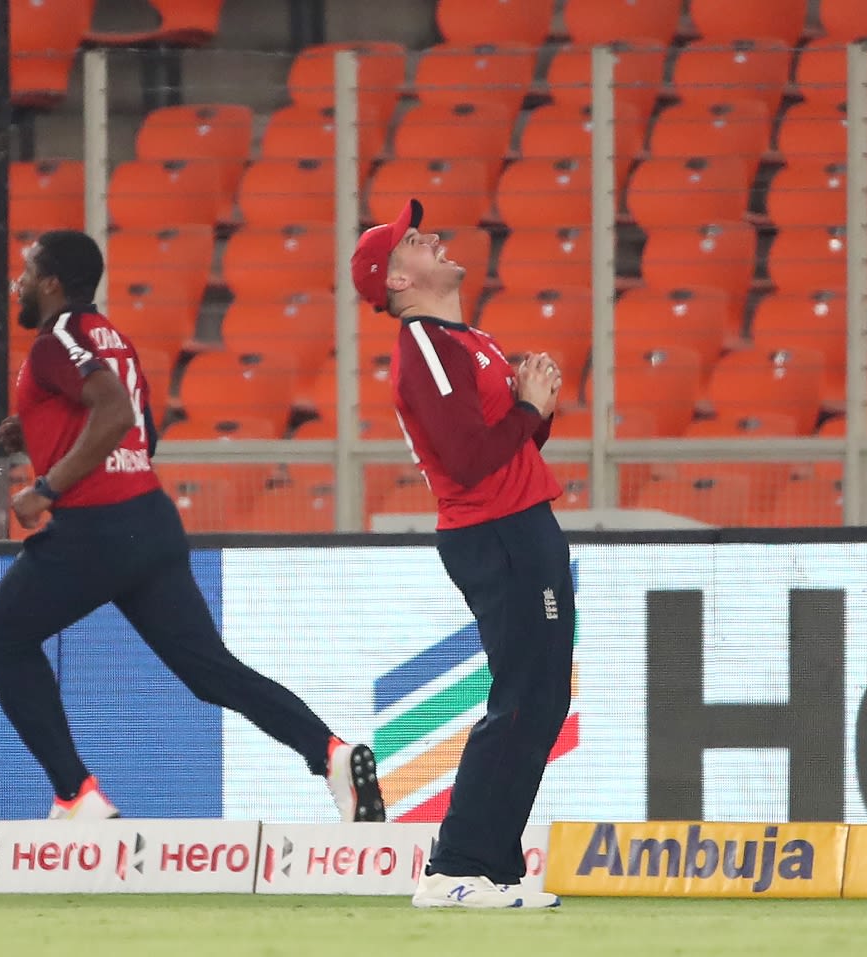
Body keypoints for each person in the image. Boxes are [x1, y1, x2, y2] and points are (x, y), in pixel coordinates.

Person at [0, 228, 384, 824]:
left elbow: (112, 413)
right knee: (210, 671)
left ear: (53, 283)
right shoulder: (112, 337)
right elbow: (142, 433)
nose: (18, 282)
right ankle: (332, 756)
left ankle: (76, 795)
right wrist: (38, 428)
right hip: (150, 523)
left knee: (0, 640)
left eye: (28, 270)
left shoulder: (56, 340)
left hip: (94, 529)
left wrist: (47, 486)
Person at [350, 200, 573, 909]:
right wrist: (531, 410)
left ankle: (495, 865)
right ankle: (455, 868)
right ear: (396, 282)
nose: (436, 238)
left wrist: (531, 412)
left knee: (542, 695)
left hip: (519, 521)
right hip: (497, 531)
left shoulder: (464, 338)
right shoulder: (425, 347)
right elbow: (472, 459)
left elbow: (501, 449)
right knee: (523, 694)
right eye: (415, 241)